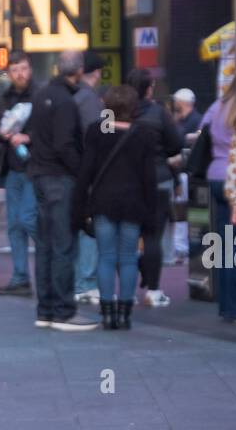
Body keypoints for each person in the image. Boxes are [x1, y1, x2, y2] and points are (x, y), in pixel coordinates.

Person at [72, 84, 158, 331]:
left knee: (106, 257)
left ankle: (108, 313)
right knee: (129, 258)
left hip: (103, 203)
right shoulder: (144, 135)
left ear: (106, 106)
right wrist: (151, 214)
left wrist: (79, 207)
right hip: (133, 204)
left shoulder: (97, 133)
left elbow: (85, 173)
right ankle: (125, 313)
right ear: (134, 108)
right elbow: (148, 179)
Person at [28, 49, 97, 330]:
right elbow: (65, 145)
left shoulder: (42, 95)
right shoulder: (66, 102)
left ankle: (45, 309)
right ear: (79, 69)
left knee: (45, 245)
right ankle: (64, 311)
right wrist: (83, 175)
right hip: (60, 178)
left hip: (39, 175)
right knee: (63, 245)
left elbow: (37, 136)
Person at [127, 68, 182, 307]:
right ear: (149, 89)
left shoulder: (114, 112)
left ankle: (127, 291)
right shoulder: (160, 113)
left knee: (128, 237)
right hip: (158, 179)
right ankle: (154, 290)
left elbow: (103, 139)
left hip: (126, 181)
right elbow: (176, 144)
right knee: (153, 237)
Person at [0, 50, 36, 296]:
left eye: (24, 68)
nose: (20, 74)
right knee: (14, 225)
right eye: (15, 69)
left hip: (33, 166)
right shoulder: (5, 97)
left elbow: (51, 130)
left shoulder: (40, 96)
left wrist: (28, 137)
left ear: (30, 69)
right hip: (12, 167)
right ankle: (20, 277)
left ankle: (55, 260)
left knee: (28, 219)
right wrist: (3, 133)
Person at [202, 65, 236, 323]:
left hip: (215, 177)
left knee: (227, 246)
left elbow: (200, 132)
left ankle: (228, 306)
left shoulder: (219, 105)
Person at [72, 49, 105, 305]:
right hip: (87, 171)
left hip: (70, 170)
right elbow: (95, 137)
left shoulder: (71, 94)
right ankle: (86, 282)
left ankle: (78, 281)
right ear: (98, 73)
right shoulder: (91, 99)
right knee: (88, 227)